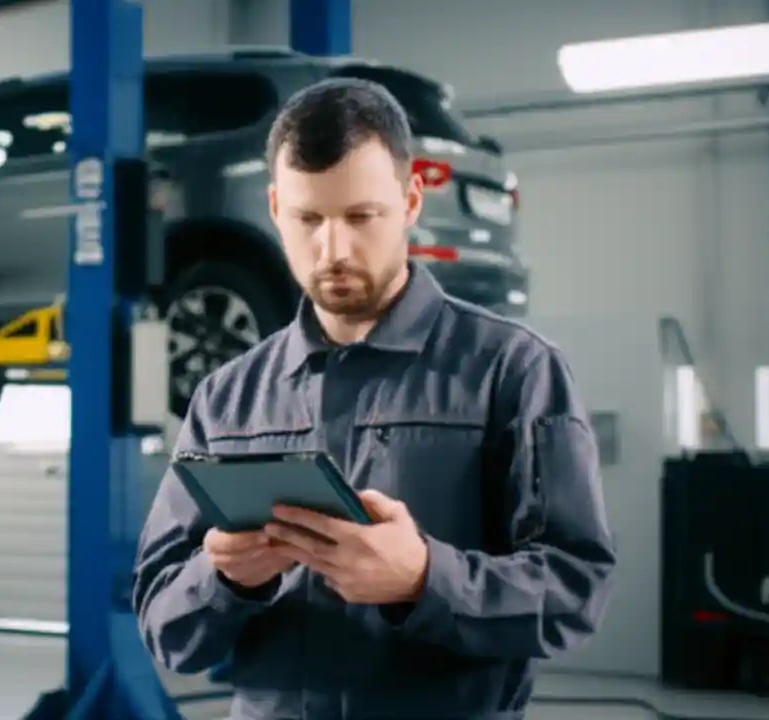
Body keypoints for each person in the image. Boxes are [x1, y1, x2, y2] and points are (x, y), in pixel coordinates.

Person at [131, 78, 618, 720]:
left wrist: (424, 579)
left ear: (411, 199)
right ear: (275, 209)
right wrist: (221, 578)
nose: (333, 250)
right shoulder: (228, 398)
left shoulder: (514, 371)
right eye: (309, 219)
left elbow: (575, 590)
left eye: (361, 217)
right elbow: (163, 621)